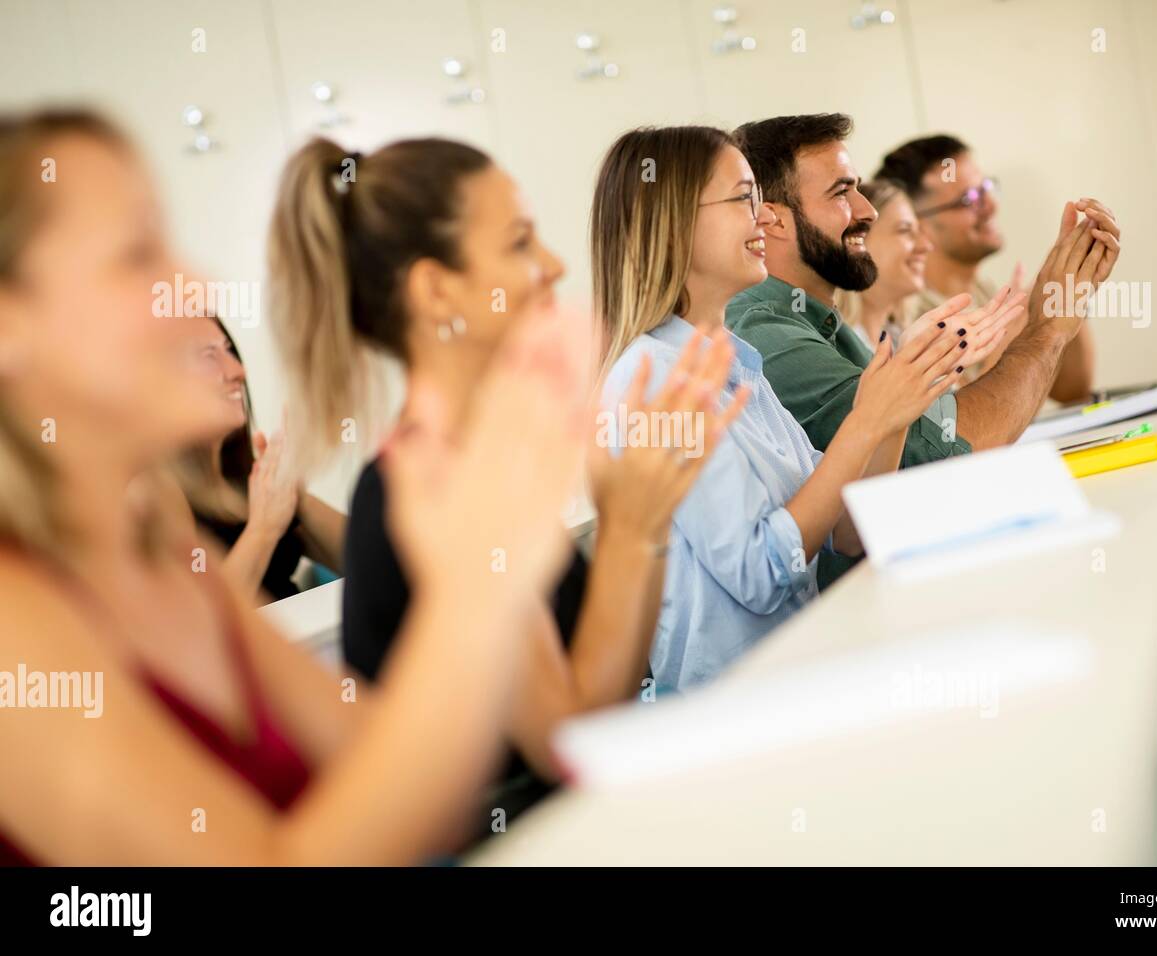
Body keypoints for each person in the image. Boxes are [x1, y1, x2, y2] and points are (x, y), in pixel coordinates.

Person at [0, 109, 594, 864]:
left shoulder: (168, 552)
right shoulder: (13, 625)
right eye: (137, 256)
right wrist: (474, 597)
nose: (193, 284)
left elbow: (426, 803)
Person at [267, 135, 739, 812]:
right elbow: (566, 739)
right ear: (436, 289)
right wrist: (632, 529)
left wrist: (645, 516)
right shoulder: (430, 480)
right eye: (519, 244)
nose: (552, 266)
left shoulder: (479, 459)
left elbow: (607, 686)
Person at [594, 126, 984, 690]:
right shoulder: (655, 383)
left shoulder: (736, 363)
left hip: (805, 675)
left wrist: (900, 401)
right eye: (741, 199)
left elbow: (845, 531)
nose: (762, 219)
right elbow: (761, 572)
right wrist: (868, 419)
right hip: (737, 710)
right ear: (675, 220)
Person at [725, 114, 1118, 585]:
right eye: (841, 193)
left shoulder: (820, 323)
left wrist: (1047, 323)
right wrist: (1048, 328)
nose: (866, 210)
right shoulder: (767, 335)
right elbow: (945, 455)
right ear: (774, 221)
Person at [876, 133, 1096, 400]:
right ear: (915, 223)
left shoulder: (984, 291)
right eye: (969, 199)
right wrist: (1028, 321)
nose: (991, 205)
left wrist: (1067, 288)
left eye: (986, 189)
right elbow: (964, 429)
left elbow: (1071, 390)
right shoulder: (908, 319)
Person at [171, 313, 345, 604]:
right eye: (208, 356)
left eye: (228, 351)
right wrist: (264, 527)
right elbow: (197, 621)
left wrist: (294, 492)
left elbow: (369, 563)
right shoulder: (161, 497)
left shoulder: (245, 478)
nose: (238, 371)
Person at [836, 178, 932, 351]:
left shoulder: (903, 340)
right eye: (905, 230)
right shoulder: (837, 347)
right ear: (858, 241)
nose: (925, 246)